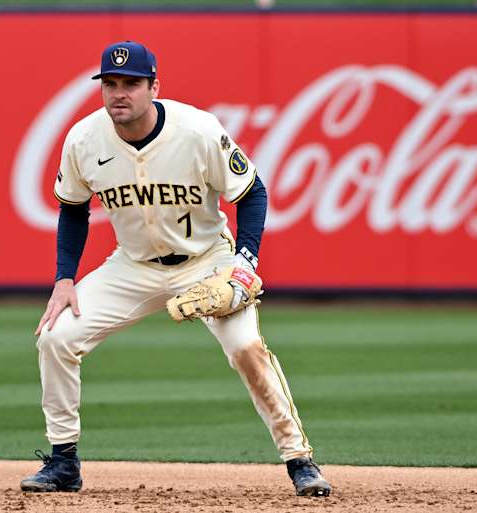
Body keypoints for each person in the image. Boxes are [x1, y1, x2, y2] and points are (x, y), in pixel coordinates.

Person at [19, 41, 331, 497]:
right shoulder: (83, 140)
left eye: (131, 84)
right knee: (55, 337)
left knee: (246, 347)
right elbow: (72, 209)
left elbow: (252, 192)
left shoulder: (198, 131)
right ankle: (63, 462)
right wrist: (64, 279)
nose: (118, 93)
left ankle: (299, 460)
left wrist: (243, 265)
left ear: (154, 87)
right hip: (132, 266)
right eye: (110, 84)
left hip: (207, 260)